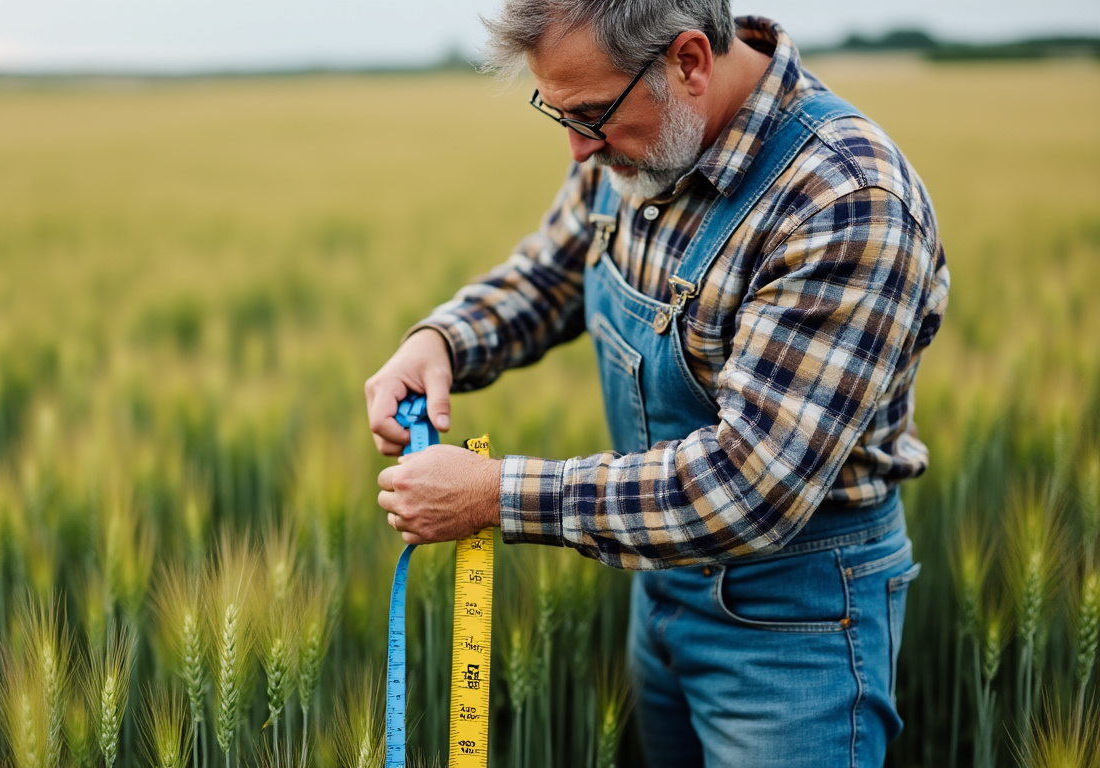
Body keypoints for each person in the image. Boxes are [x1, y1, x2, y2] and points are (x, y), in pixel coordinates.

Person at [364, 1, 950, 765]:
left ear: (689, 62)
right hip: (660, 585)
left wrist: (494, 495)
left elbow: (749, 485)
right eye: (560, 114)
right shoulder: (640, 139)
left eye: (590, 115)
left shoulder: (846, 201)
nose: (578, 149)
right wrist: (443, 338)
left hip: (795, 623)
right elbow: (554, 270)